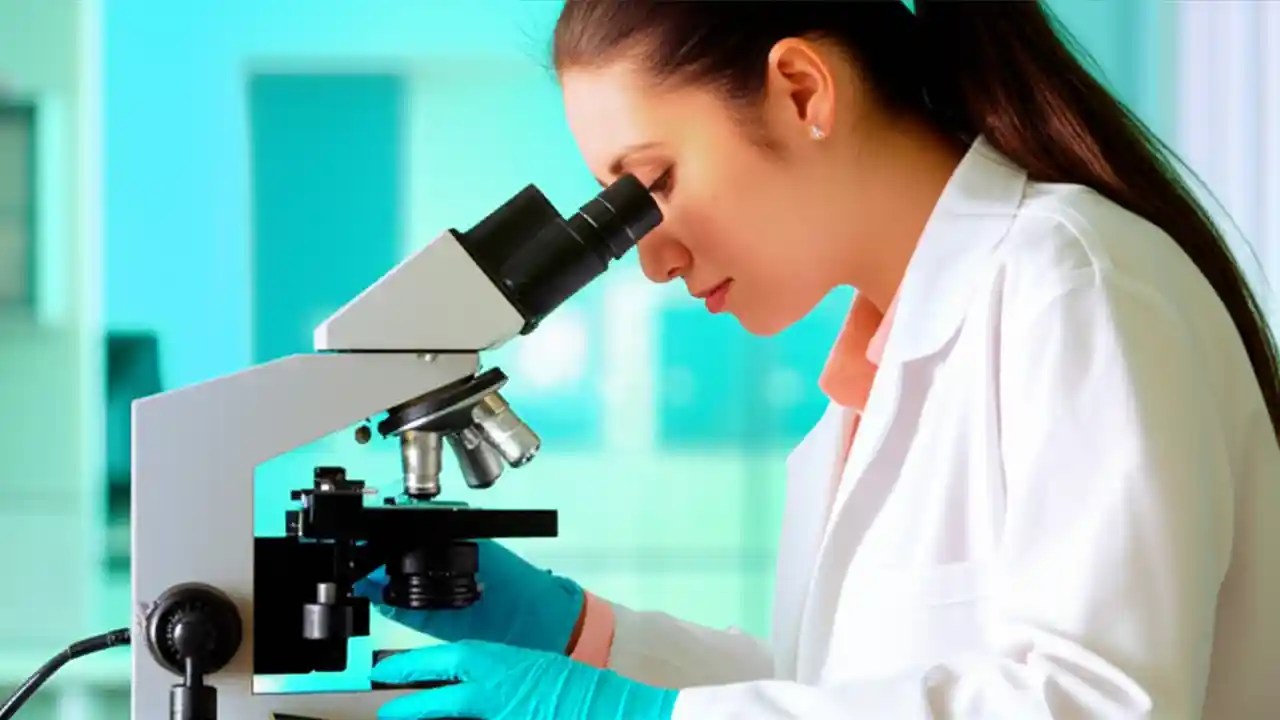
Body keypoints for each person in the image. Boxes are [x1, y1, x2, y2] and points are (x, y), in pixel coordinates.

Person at [357, 1, 1280, 718]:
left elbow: (1094, 704)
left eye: (652, 186)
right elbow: (837, 686)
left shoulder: (1073, 284)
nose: (652, 255)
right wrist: (580, 638)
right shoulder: (868, 382)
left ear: (802, 89)